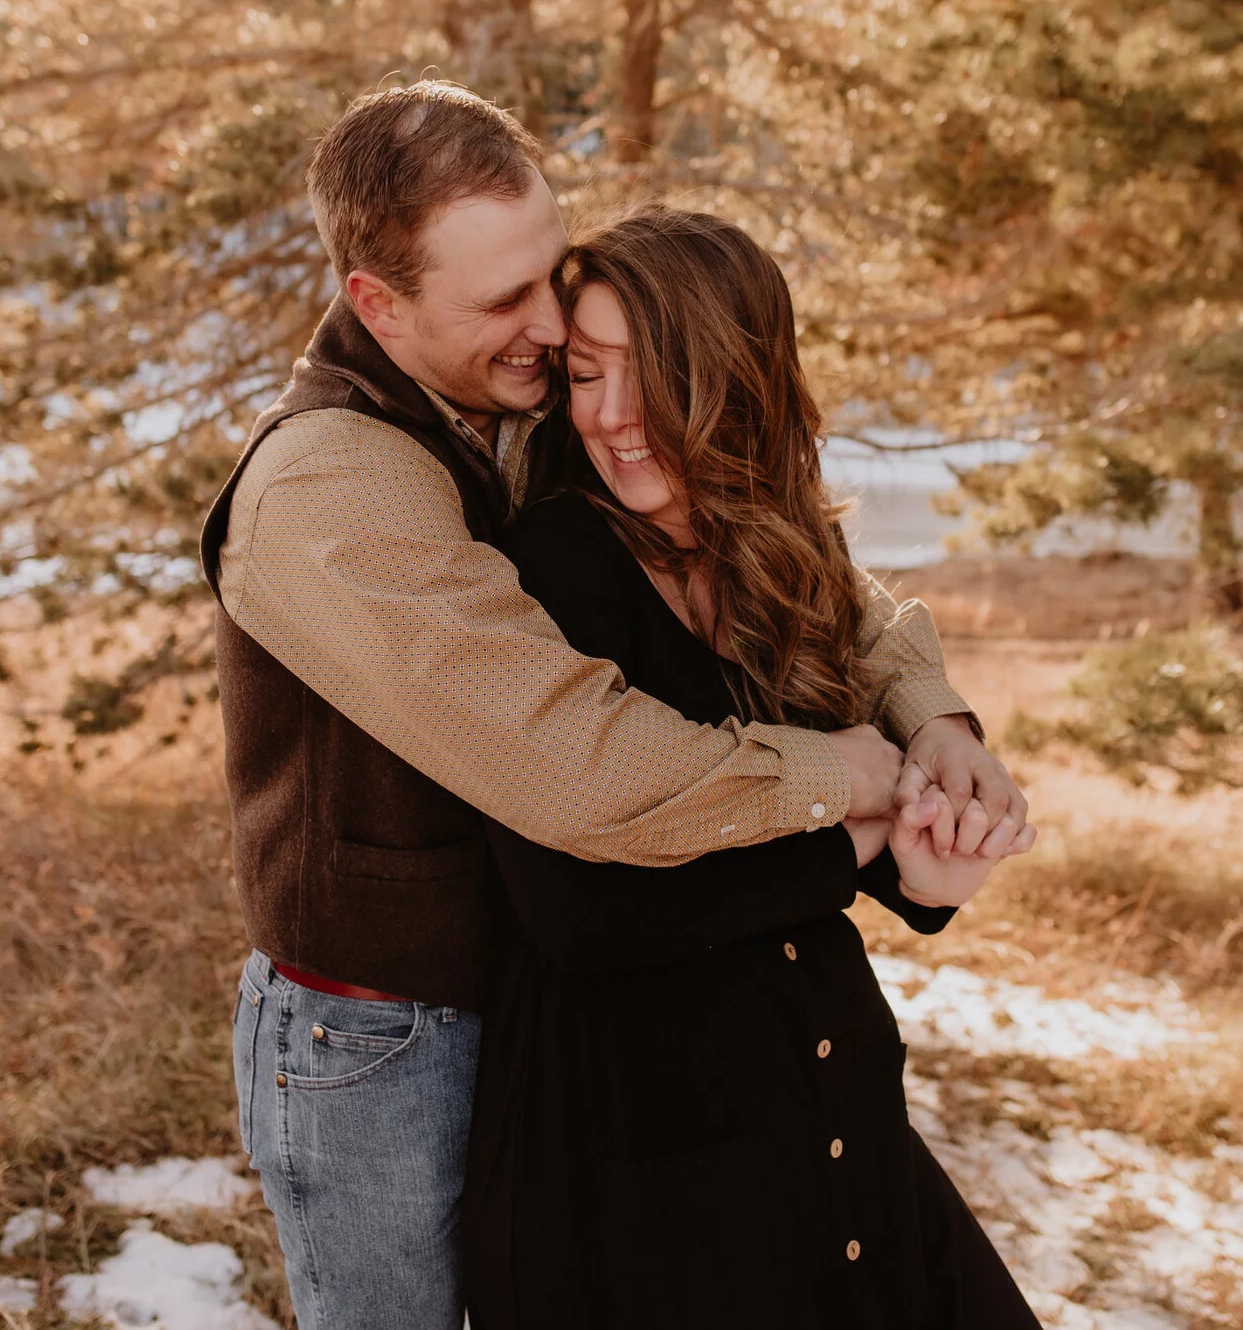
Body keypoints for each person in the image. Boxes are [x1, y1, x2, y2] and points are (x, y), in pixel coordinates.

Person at [198, 82, 1030, 1330]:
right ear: (378, 302)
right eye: (502, 301)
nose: (546, 327)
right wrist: (851, 779)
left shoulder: (520, 403)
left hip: (561, 996)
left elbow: (799, 568)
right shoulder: (328, 487)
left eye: (547, 275)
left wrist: (932, 719)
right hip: (382, 1037)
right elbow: (580, 762)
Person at [462, 206, 1042, 1329]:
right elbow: (578, 910)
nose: (614, 418)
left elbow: (837, 830)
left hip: (836, 1120)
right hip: (646, 1170)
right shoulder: (553, 568)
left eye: (654, 378)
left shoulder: (775, 554)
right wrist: (850, 840)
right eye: (585, 374)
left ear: (738, 378)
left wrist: (929, 868)